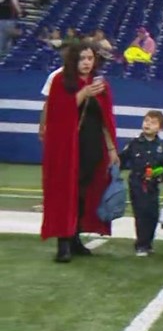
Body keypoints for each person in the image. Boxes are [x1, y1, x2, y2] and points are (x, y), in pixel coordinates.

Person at [41, 42, 119, 263]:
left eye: (90, 59)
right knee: (65, 193)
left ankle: (75, 238)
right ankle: (63, 243)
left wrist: (112, 148)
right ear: (73, 60)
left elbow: (106, 119)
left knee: (84, 194)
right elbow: (57, 113)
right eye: (82, 58)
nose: (86, 63)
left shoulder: (101, 84)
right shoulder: (60, 81)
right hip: (67, 149)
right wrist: (83, 93)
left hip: (92, 148)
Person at [119, 110, 163, 257]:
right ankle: (141, 244)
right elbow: (122, 159)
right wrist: (113, 172)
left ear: (160, 129)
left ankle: (148, 242)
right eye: (146, 121)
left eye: (153, 122)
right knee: (141, 213)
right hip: (137, 183)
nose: (148, 124)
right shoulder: (134, 143)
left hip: (153, 185)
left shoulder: (160, 146)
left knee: (152, 214)